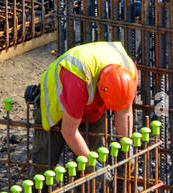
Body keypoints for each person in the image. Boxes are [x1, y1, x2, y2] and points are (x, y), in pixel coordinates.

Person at [25, 40, 138, 168]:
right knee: (45, 162)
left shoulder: (128, 72)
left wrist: (127, 146)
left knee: (96, 154)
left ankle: (86, 185)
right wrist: (92, 164)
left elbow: (124, 112)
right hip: (57, 105)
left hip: (91, 107)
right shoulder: (78, 81)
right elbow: (69, 131)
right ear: (100, 87)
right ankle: (42, 188)